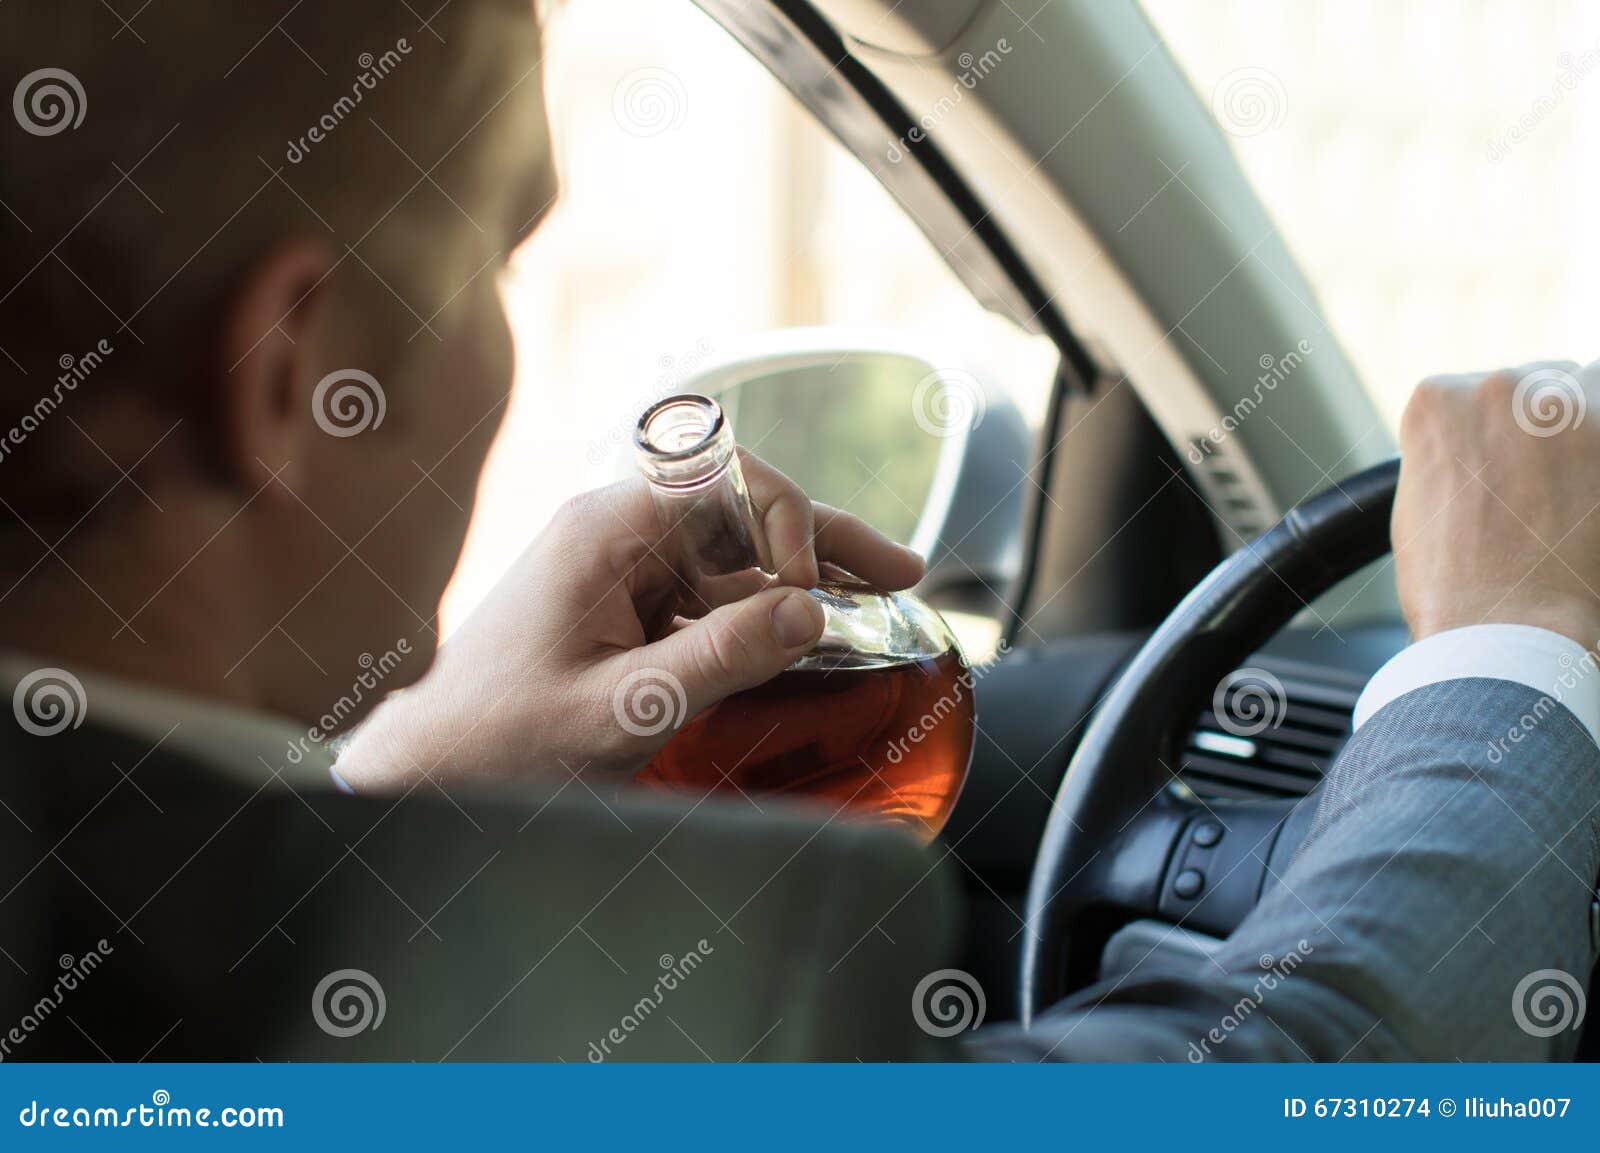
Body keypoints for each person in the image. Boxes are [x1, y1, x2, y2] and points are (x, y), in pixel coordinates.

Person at [0, 2, 1593, 1061]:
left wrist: (403, 803)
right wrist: (1514, 649)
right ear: (289, 378)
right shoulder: (769, 974)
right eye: (499, 251)